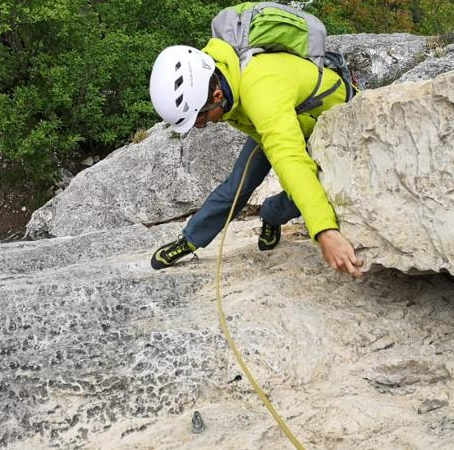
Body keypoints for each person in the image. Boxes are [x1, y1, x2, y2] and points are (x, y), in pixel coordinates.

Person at [148, 38, 363, 278]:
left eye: (200, 119)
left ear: (217, 95)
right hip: (279, 120)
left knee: (304, 191)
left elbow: (290, 160)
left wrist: (325, 230)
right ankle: (190, 240)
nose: (202, 126)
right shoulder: (219, 75)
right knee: (237, 185)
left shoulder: (261, 91)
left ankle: (271, 214)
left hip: (323, 122)